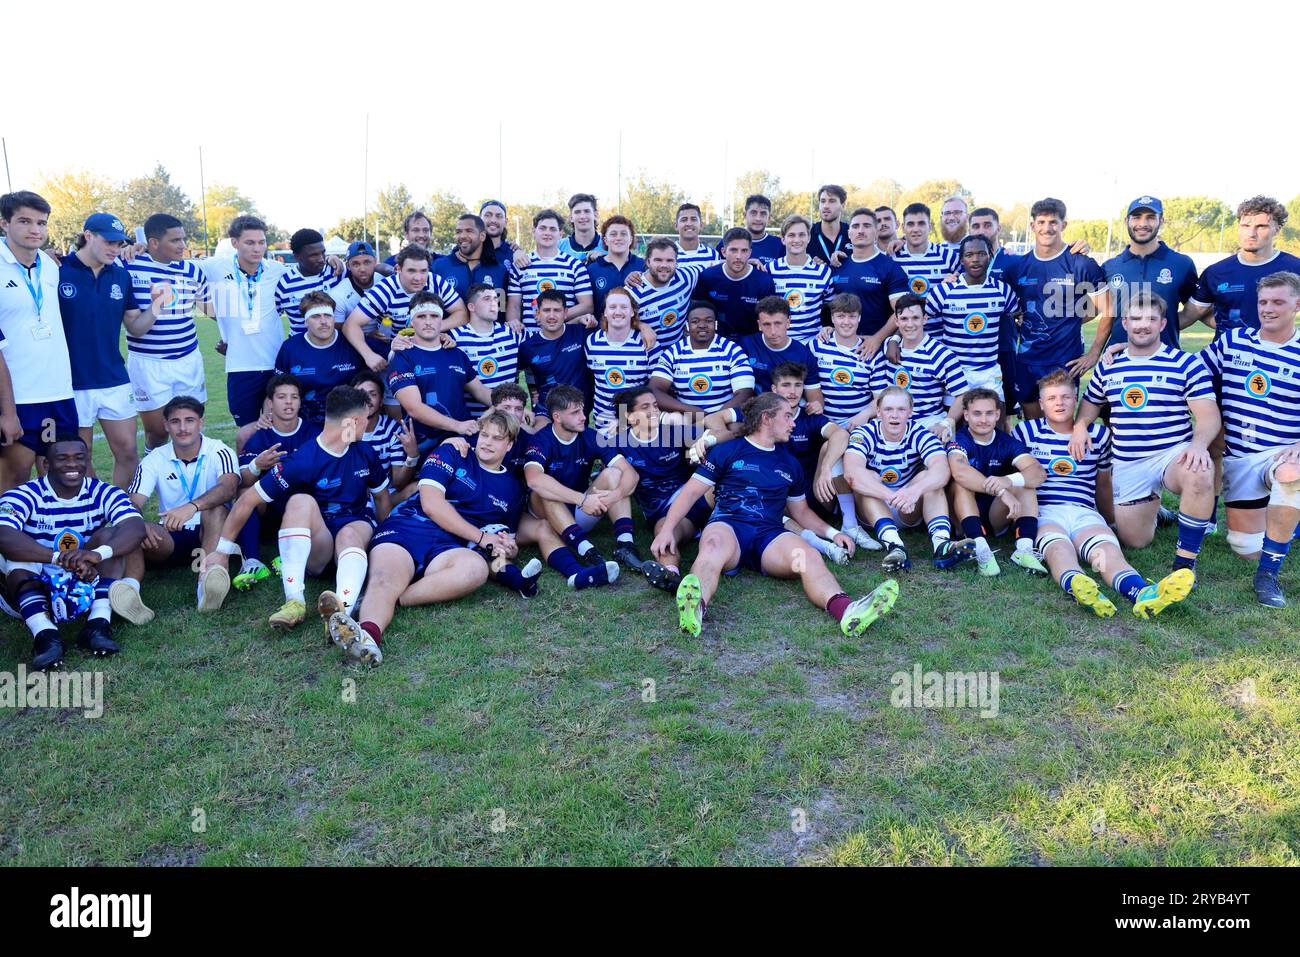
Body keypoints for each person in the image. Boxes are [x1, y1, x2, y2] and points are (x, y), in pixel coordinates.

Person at [324, 411, 569, 666]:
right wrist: (482, 537)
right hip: (410, 527)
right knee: (386, 579)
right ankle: (368, 638)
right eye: (484, 435)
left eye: (497, 438)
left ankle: (391, 598)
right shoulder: (451, 452)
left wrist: (506, 546)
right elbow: (431, 505)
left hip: (450, 546)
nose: (486, 442)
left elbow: (500, 536)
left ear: (509, 445)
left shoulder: (513, 488)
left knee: (474, 569)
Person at [652, 393, 899, 639]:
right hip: (728, 525)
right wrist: (666, 531)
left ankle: (847, 611)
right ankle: (695, 610)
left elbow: (801, 512)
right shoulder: (728, 450)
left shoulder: (790, 464)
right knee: (712, 548)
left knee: (808, 556)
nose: (793, 423)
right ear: (767, 418)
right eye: (788, 416)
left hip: (769, 537)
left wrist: (833, 534)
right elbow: (691, 492)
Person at [203, 386, 392, 631]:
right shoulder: (303, 460)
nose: (368, 425)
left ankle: (341, 610)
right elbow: (247, 500)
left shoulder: (365, 453)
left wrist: (386, 547)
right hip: (319, 549)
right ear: (353, 422)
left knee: (349, 533)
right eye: (366, 419)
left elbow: (382, 500)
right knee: (299, 501)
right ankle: (294, 601)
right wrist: (221, 551)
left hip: (354, 538)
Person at [1013, 370, 1194, 619]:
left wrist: (1109, 521)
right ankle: (1079, 584)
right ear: (1041, 404)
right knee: (1058, 549)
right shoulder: (1025, 432)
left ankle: (1143, 593)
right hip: (1044, 512)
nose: (1059, 403)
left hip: (1084, 510)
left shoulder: (1098, 436)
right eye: (1052, 398)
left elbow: (1103, 484)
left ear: (1076, 399)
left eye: (1065, 397)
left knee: (1107, 551)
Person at [1070, 293, 1219, 578]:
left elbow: (1209, 416)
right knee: (1135, 541)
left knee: (1200, 472)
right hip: (1128, 461)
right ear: (1124, 322)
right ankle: (1159, 511)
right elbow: (1089, 407)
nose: (1143, 325)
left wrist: (1199, 445)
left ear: (1163, 324)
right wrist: (1079, 427)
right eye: (1136, 319)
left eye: (1151, 319)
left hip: (1171, 454)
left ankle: (1185, 563)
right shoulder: (1110, 364)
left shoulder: (1184, 363)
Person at [1198, 271, 1300, 607]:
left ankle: (1267, 577)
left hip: (1282, 454)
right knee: (1245, 548)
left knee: (1290, 476)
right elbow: (1188, 368)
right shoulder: (1233, 341)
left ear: (1296, 305)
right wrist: (1131, 349)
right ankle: (1291, 522)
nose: (1268, 308)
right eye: (1263, 302)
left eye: (1278, 302)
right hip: (1240, 459)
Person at [0, 434, 145, 669]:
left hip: (84, 574)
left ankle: (98, 624)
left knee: (110, 537)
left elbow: (135, 528)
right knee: (18, 554)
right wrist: (57, 558)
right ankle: (46, 636)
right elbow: (3, 534)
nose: (72, 465)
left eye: (79, 457)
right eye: (62, 458)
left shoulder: (103, 492)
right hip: (34, 579)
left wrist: (96, 555)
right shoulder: (23, 495)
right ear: (46, 464)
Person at [690, 362, 857, 562]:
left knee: (831, 448)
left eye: (798, 385)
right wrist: (719, 437)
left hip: (805, 493)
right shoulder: (761, 411)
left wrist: (825, 469)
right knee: (730, 482)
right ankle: (826, 545)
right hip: (770, 491)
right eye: (786, 385)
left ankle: (850, 525)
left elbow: (841, 434)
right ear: (774, 389)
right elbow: (714, 417)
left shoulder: (809, 415)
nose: (793, 391)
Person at [58, 213, 163, 488]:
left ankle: (122, 515)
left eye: (119, 244)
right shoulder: (57, 269)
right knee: (81, 456)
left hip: (114, 378)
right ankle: (89, 515)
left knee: (128, 452)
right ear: (88, 235)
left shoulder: (120, 274)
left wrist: (156, 306)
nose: (115, 249)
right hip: (71, 382)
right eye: (109, 242)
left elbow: (135, 326)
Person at [123, 396, 239, 617]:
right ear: (166, 425)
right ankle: (129, 593)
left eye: (190, 420)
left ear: (200, 423)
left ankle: (207, 584)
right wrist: (138, 524)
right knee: (132, 528)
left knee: (216, 509)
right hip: (171, 534)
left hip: (212, 530)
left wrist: (192, 507)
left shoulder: (219, 450)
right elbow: (132, 501)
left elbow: (228, 488)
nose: (183, 428)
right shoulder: (155, 459)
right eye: (175, 422)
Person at [999, 198, 1110, 419]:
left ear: (1063, 225)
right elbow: (1012, 309)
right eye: (1041, 222)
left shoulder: (1081, 263)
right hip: (1027, 360)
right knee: (1034, 427)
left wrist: (1093, 353)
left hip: (1064, 360)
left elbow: (1107, 309)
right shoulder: (1017, 268)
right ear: (1032, 226)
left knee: (1061, 426)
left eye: (1053, 222)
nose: (1046, 228)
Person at [841, 386, 972, 572]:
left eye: (901, 409)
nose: (894, 415)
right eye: (888, 409)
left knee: (929, 478)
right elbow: (852, 473)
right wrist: (890, 496)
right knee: (868, 478)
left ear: (910, 412)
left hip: (910, 507)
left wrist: (913, 492)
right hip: (874, 507)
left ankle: (941, 544)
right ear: (878, 412)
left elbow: (942, 471)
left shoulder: (922, 434)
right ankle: (895, 547)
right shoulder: (863, 433)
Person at [0, 191, 77, 492]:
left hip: (58, 391)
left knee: (57, 479)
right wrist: (7, 412)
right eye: (25, 221)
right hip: (18, 397)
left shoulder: (49, 263)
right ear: (4, 223)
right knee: (14, 479)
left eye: (42, 223)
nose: (35, 230)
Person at [603, 385, 711, 590]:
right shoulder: (617, 443)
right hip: (664, 512)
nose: (654, 411)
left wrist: (705, 441)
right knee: (663, 534)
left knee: (719, 485)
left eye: (655, 405)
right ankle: (671, 577)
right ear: (630, 416)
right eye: (645, 407)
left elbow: (711, 432)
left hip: (694, 497)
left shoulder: (674, 432)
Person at [125, 212, 212, 453]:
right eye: (175, 240)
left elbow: (211, 310)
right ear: (153, 243)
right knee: (158, 433)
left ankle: (191, 483)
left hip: (188, 360)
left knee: (191, 429)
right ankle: (154, 472)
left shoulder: (193, 271)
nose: (183, 245)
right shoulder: (130, 265)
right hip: (149, 363)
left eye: (183, 239)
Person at [522, 384, 627, 581]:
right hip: (548, 513)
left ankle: (626, 544)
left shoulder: (590, 435)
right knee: (545, 490)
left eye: (582, 409)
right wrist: (582, 499)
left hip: (580, 511)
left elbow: (628, 471)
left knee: (614, 474)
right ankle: (588, 551)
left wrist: (617, 494)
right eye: (575, 412)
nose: (583, 416)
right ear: (557, 417)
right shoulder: (541, 439)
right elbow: (534, 479)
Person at [231, 373, 322, 591]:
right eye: (282, 397)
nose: (289, 402)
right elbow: (242, 478)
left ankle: (288, 557)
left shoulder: (314, 434)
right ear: (270, 403)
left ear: (301, 401)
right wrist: (257, 464)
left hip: (303, 509)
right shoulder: (260, 437)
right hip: (268, 509)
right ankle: (252, 562)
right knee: (246, 492)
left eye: (294, 397)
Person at [945, 387, 1048, 577]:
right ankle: (981, 549)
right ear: (966, 415)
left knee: (1025, 485)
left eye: (989, 413)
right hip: (962, 517)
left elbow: (1038, 473)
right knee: (960, 484)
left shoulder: (1006, 441)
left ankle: (1024, 550)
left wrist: (1007, 481)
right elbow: (959, 472)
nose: (983, 419)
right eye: (977, 413)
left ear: (998, 414)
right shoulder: (959, 438)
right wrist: (1001, 491)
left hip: (995, 515)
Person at [201, 215, 290, 428]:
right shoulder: (214, 267)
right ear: (235, 243)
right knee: (247, 430)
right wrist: (139, 249)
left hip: (275, 364)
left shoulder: (277, 270)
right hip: (240, 366)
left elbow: (310, 272)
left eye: (261, 242)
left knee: (278, 427)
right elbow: (175, 265)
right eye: (250, 242)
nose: (257, 248)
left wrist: (332, 260)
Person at [385, 292, 493, 449]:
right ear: (411, 321)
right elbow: (414, 408)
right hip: (427, 443)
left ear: (441, 319)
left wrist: (513, 407)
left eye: (434, 316)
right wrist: (457, 426)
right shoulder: (402, 356)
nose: (428, 322)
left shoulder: (456, 353)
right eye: (421, 316)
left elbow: (481, 392)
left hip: (464, 438)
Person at [1182, 196, 1300, 338]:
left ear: (1277, 229)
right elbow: (1188, 316)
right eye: (1245, 226)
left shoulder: (1295, 267)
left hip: (1276, 358)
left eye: (1261, 226)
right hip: (1227, 358)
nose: (1251, 234)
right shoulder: (1216, 272)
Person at [925, 234, 1019, 412]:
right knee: (956, 430)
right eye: (969, 255)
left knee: (993, 425)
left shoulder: (1003, 290)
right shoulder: (944, 291)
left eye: (981, 254)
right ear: (961, 259)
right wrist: (894, 340)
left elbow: (1019, 314)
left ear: (990, 255)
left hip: (989, 370)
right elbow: (918, 318)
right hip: (955, 371)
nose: (975, 259)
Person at [344, 245, 466, 381]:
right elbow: (350, 325)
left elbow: (462, 313)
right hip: (395, 349)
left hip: (430, 346)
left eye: (423, 271)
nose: (418, 277)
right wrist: (369, 355)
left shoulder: (435, 282)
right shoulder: (385, 290)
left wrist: (433, 328)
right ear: (398, 269)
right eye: (411, 271)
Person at [868, 293, 971, 441]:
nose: (910, 324)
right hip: (892, 419)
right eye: (904, 319)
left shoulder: (941, 354)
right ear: (896, 321)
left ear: (925, 319)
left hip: (927, 421)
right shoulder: (888, 345)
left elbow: (962, 394)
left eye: (915, 318)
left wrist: (946, 423)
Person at [1102, 197, 1199, 349]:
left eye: (1151, 217)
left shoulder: (1182, 264)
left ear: (1161, 220)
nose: (1143, 224)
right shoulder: (1110, 267)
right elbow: (1101, 313)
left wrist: (1162, 327)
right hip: (1117, 360)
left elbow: (1197, 309)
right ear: (1127, 220)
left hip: (1166, 362)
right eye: (1136, 217)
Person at [649, 301, 755, 418]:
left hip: (725, 419)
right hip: (687, 417)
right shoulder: (673, 352)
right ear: (687, 326)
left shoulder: (731, 350)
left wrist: (716, 418)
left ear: (715, 325)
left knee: (736, 429)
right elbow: (654, 389)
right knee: (675, 423)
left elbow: (745, 393)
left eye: (708, 321)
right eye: (695, 321)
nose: (702, 325)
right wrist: (688, 410)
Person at [273, 291, 362, 425]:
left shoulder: (352, 341)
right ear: (306, 322)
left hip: (347, 423)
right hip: (306, 424)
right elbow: (277, 388)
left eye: (328, 315)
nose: (323, 321)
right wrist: (269, 415)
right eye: (316, 316)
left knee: (348, 443)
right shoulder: (290, 348)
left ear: (334, 318)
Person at [828, 207, 910, 350]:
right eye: (855, 226)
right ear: (849, 232)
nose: (860, 231)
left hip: (875, 348)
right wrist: (827, 327)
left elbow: (901, 311)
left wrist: (877, 339)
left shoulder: (890, 267)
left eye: (866, 226)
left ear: (876, 232)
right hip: (841, 347)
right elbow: (829, 306)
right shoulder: (838, 265)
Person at [506, 209, 594, 333]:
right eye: (542, 228)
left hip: (564, 338)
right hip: (531, 339)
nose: (547, 233)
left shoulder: (574, 265)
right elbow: (513, 305)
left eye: (553, 229)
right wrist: (514, 325)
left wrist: (553, 317)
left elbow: (587, 306)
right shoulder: (521, 264)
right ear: (533, 231)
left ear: (561, 234)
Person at [517, 288, 594, 427]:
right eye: (546, 310)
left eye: (557, 310)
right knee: (539, 436)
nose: (551, 316)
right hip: (546, 408)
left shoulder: (583, 333)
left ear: (565, 313)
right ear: (538, 313)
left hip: (578, 410)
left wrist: (643, 327)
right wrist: (532, 394)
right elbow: (523, 374)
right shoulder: (527, 347)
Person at [584, 287, 655, 429]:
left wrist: (625, 421)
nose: (618, 312)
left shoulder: (647, 343)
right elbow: (594, 380)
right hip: (603, 426)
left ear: (632, 312)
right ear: (604, 312)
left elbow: (654, 389)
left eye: (624, 307)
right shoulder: (592, 342)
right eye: (612, 307)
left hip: (638, 425)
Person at [688, 228, 777, 340]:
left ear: (750, 252)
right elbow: (696, 312)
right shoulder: (707, 277)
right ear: (724, 252)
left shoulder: (764, 281)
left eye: (744, 251)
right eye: (733, 250)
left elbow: (770, 319)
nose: (738, 256)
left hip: (752, 342)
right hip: (715, 340)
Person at [451, 284, 523, 416]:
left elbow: (546, 341)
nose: (494, 303)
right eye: (487, 299)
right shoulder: (455, 338)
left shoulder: (512, 332)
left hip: (510, 419)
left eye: (496, 299)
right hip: (472, 422)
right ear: (471, 307)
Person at [626, 238, 705, 354]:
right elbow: (611, 318)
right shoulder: (633, 290)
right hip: (647, 357)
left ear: (676, 262)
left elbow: (717, 266)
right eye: (658, 260)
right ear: (648, 262)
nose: (664, 265)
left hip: (679, 356)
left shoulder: (686, 277)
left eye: (669, 260)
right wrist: (640, 325)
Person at [738, 295, 822, 402]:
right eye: (767, 324)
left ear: (788, 322)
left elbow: (815, 398)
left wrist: (816, 406)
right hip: (755, 409)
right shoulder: (746, 345)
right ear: (759, 325)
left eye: (778, 323)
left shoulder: (803, 354)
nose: (773, 331)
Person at [767, 215, 834, 342]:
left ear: (809, 238)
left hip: (812, 341)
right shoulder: (770, 269)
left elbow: (830, 307)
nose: (797, 240)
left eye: (802, 235)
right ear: (783, 239)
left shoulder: (823, 272)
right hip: (779, 341)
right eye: (791, 235)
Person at [274, 228, 348, 335]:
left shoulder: (336, 270)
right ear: (297, 257)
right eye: (314, 255)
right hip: (300, 349)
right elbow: (272, 319)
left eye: (323, 253)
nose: (321, 259)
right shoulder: (284, 285)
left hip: (335, 346)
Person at [431, 213, 509, 306]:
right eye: (458, 232)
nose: (463, 236)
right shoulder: (438, 267)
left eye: (469, 231)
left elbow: (502, 310)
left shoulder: (500, 270)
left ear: (482, 236)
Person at [893, 203, 958, 298]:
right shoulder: (893, 257)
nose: (916, 229)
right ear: (903, 228)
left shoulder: (947, 255)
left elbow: (968, 277)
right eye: (910, 224)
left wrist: (955, 281)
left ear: (930, 227)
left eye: (921, 223)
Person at [585, 215, 645, 316]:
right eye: (613, 234)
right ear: (605, 240)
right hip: (602, 330)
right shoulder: (592, 270)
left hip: (637, 329)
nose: (618, 238)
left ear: (631, 239)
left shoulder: (642, 265)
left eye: (623, 234)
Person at [717, 194, 785, 262]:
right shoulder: (727, 242)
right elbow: (714, 267)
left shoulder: (780, 245)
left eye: (763, 213)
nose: (758, 218)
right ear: (745, 215)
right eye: (753, 213)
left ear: (769, 218)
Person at [330, 241, 381, 326]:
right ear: (348, 266)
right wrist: (368, 335)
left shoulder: (384, 281)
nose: (362, 269)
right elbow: (338, 334)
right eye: (356, 264)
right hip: (353, 338)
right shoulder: (338, 295)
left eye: (367, 262)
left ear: (375, 261)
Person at [557, 193, 607, 261]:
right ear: (571, 217)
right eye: (577, 212)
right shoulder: (558, 246)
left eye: (587, 211)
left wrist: (606, 259)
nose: (582, 216)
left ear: (596, 215)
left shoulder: (608, 244)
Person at [810, 185, 851, 265]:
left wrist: (848, 260)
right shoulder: (808, 234)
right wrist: (808, 264)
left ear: (843, 206)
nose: (826, 206)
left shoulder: (852, 234)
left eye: (832, 201)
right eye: (823, 201)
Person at [674, 203, 721, 268]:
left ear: (701, 225)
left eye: (693, 219)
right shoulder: (667, 255)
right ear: (676, 226)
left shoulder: (713, 255)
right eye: (684, 220)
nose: (689, 223)